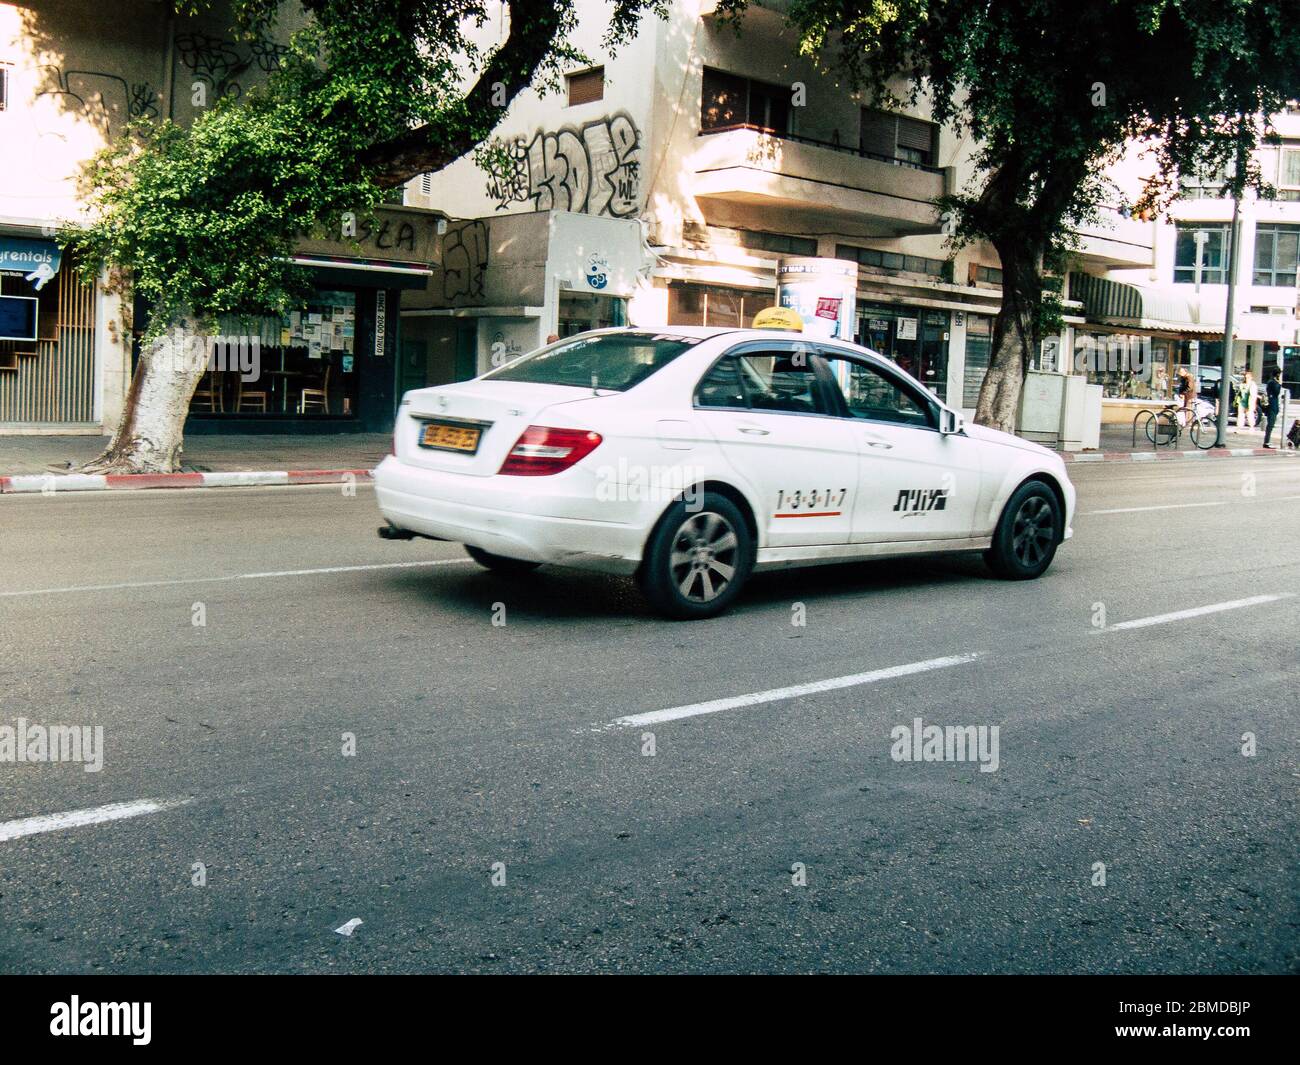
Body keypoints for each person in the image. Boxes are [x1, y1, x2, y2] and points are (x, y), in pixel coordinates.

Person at [1261, 367, 1282, 448]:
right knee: (1270, 424)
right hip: (1272, 405)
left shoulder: (1271, 382)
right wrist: (1279, 384)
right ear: (1277, 374)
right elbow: (1276, 392)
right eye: (1279, 374)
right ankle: (1266, 442)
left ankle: (1267, 441)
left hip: (1273, 405)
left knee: (1271, 424)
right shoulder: (1272, 382)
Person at [1235, 367, 1257, 431]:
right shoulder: (1242, 384)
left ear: (1251, 377)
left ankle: (1252, 426)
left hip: (1249, 402)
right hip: (1242, 401)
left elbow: (1253, 396)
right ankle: (1239, 426)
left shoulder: (1253, 385)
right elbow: (1240, 393)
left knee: (1250, 414)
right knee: (1240, 414)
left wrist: (1253, 404)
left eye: (1248, 377)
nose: (1247, 379)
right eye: (1246, 377)